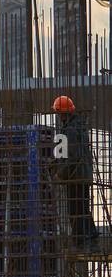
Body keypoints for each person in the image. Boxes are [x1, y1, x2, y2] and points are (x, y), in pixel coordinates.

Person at [54, 95, 96, 246]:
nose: (57, 116)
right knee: (82, 208)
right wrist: (56, 162)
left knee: (76, 210)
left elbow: (72, 157)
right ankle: (87, 239)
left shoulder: (70, 130)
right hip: (82, 175)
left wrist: (60, 173)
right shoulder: (76, 126)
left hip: (76, 176)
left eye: (58, 113)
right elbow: (64, 153)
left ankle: (82, 241)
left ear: (63, 113)